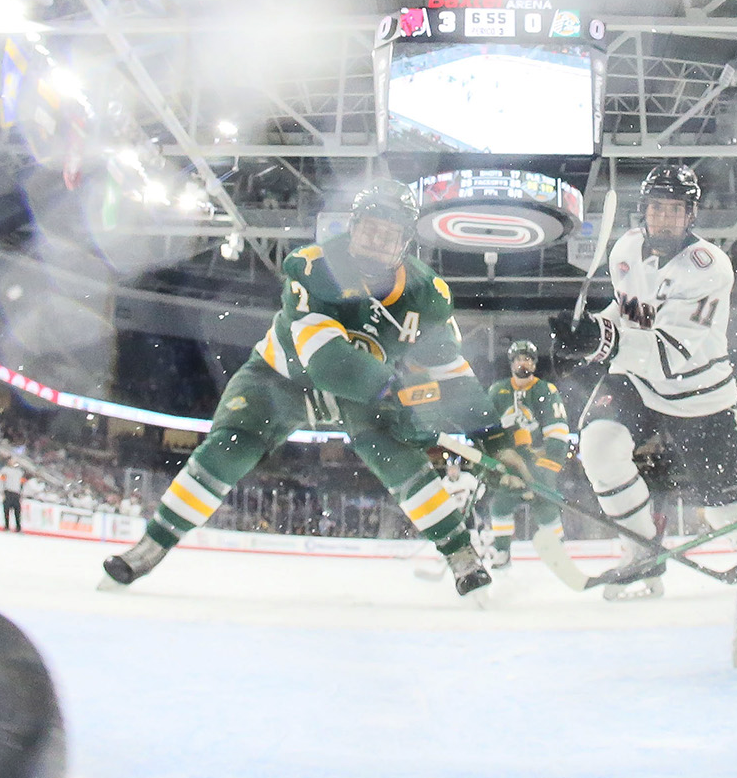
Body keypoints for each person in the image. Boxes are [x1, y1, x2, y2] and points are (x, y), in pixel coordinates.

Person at [103, 182, 517, 598]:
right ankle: (152, 545)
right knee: (232, 444)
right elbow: (330, 363)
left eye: (389, 234)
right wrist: (399, 399)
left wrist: (497, 441)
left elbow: (453, 375)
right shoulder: (316, 266)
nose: (377, 240)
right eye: (370, 229)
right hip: (284, 378)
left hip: (370, 388)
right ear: (353, 228)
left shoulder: (427, 295)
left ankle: (463, 556)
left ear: (406, 243)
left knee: (397, 456)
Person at [553, 165, 737, 663]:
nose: (664, 217)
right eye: (657, 207)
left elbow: (671, 351)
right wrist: (590, 333)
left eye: (674, 209)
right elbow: (627, 313)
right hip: (636, 380)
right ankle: (641, 552)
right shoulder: (625, 251)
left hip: (698, 395)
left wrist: (602, 341)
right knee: (597, 446)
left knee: (726, 508)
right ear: (644, 211)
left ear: (690, 215)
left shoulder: (709, 266)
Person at [484, 339, 569, 570]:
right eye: (520, 358)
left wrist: (547, 468)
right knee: (500, 504)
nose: (524, 362)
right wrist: (493, 460)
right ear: (512, 363)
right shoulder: (497, 391)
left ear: (534, 363)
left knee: (546, 508)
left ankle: (558, 551)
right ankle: (501, 552)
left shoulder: (545, 390)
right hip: (509, 461)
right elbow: (487, 430)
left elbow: (558, 430)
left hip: (538, 461)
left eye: (528, 359)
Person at [0, 461, 26, 532]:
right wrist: (2, 491)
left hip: (16, 493)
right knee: (6, 510)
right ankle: (7, 526)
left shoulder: (20, 472)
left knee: (17, 511)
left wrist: (21, 493)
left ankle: (18, 527)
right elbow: (1, 481)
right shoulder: (5, 470)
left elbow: (22, 483)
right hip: (8, 492)